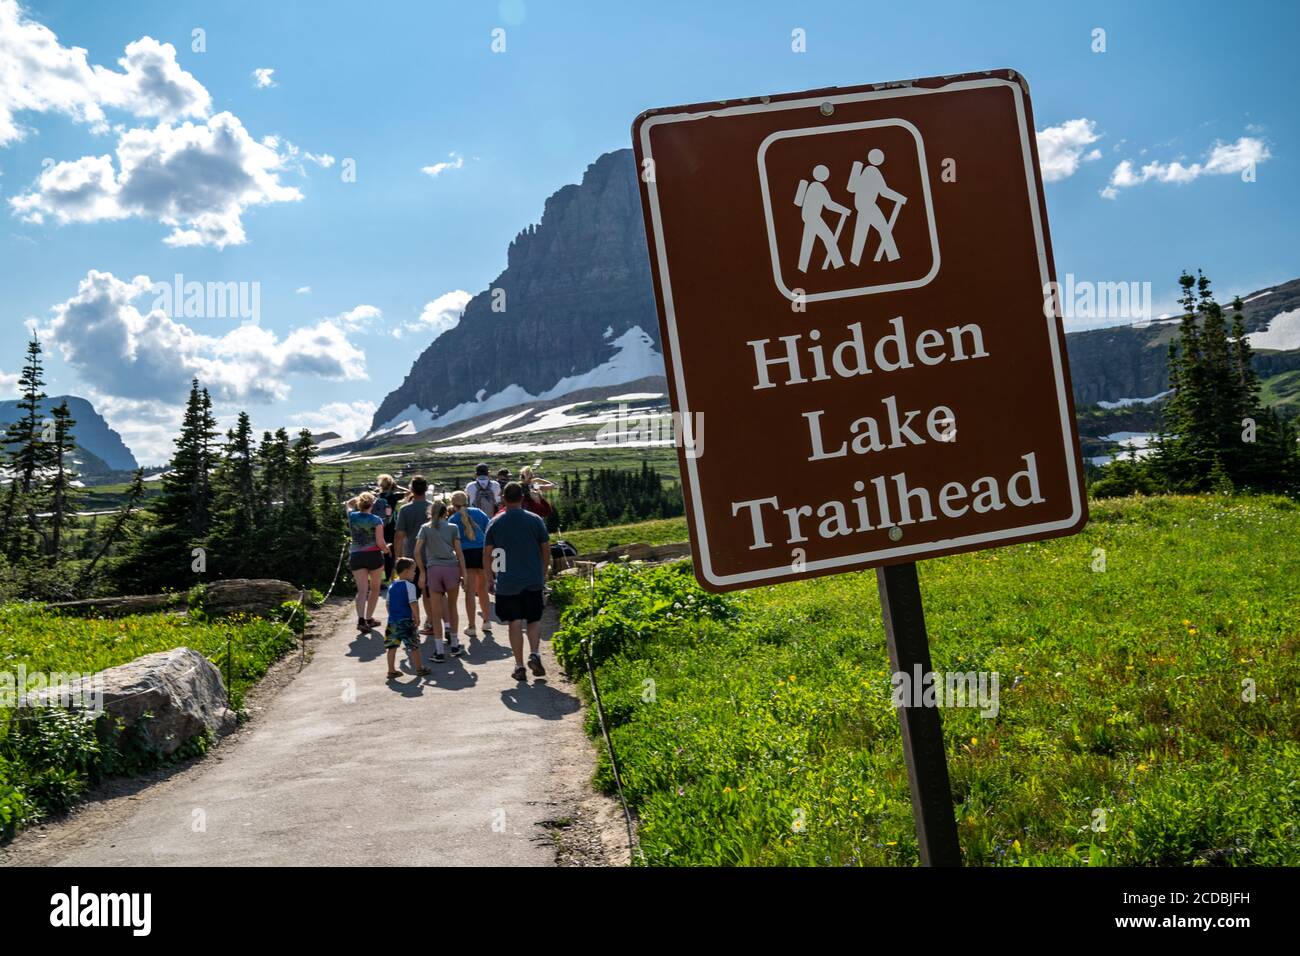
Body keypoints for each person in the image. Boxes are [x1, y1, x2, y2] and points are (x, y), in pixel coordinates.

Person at [484, 482, 550, 683]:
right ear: (522, 498)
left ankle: (519, 665)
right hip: (532, 578)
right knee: (534, 619)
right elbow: (545, 548)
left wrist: (490, 578)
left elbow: (488, 554)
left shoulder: (495, 522)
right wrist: (543, 572)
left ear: (503, 498)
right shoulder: (535, 520)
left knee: (514, 622)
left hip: (508, 581)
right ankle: (535, 653)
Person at [415, 501, 467, 662]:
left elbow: (417, 552)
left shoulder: (425, 528)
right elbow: (459, 553)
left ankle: (439, 651)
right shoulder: (453, 527)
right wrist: (464, 574)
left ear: (431, 513)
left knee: (436, 613)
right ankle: (455, 645)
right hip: (451, 569)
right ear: (446, 513)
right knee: (452, 608)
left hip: (433, 570)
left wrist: (422, 572)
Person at [846, 147, 907, 265]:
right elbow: (883, 191)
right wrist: (900, 198)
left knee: (860, 235)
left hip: (861, 207)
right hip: (869, 207)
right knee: (884, 230)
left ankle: (854, 261)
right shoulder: (873, 171)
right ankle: (894, 258)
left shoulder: (865, 171)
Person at [449, 490, 492, 638]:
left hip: (465, 555)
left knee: (470, 591)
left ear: (453, 505)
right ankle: (486, 621)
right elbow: (489, 528)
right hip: (482, 552)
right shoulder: (479, 512)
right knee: (483, 589)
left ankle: (472, 625)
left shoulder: (453, 519)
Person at [795, 163, 850, 272]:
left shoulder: (813, 186)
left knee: (808, 242)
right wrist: (844, 210)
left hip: (808, 217)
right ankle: (838, 264)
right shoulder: (819, 187)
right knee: (829, 237)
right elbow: (829, 205)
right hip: (813, 218)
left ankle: (802, 268)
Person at [346, 492, 388, 633]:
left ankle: (361, 620)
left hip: (356, 555)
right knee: (375, 588)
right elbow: (380, 542)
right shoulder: (377, 520)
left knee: (362, 590)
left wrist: (359, 498)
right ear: (372, 504)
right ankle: (369, 618)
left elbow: (348, 503)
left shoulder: (352, 516)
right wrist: (387, 550)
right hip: (374, 556)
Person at [384, 557, 429, 680]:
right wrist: (417, 617)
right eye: (413, 570)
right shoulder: (409, 586)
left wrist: (392, 615)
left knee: (392, 647)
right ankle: (420, 668)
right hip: (406, 621)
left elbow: (387, 603)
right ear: (405, 571)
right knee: (414, 646)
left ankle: (391, 670)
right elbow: (413, 603)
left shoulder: (392, 586)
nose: (415, 573)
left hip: (392, 622)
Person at [394, 475, 432, 593]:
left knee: (411, 596)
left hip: (410, 557)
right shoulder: (433, 507)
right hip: (431, 556)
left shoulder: (405, 510)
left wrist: (399, 557)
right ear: (426, 489)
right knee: (431, 595)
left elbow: (399, 536)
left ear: (411, 489)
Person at [375, 474, 406, 584]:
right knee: (391, 552)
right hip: (391, 526)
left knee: (380, 550)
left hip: (379, 526)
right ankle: (391, 577)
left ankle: (380, 577)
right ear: (391, 484)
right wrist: (397, 487)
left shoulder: (377, 497)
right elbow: (410, 492)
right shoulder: (394, 496)